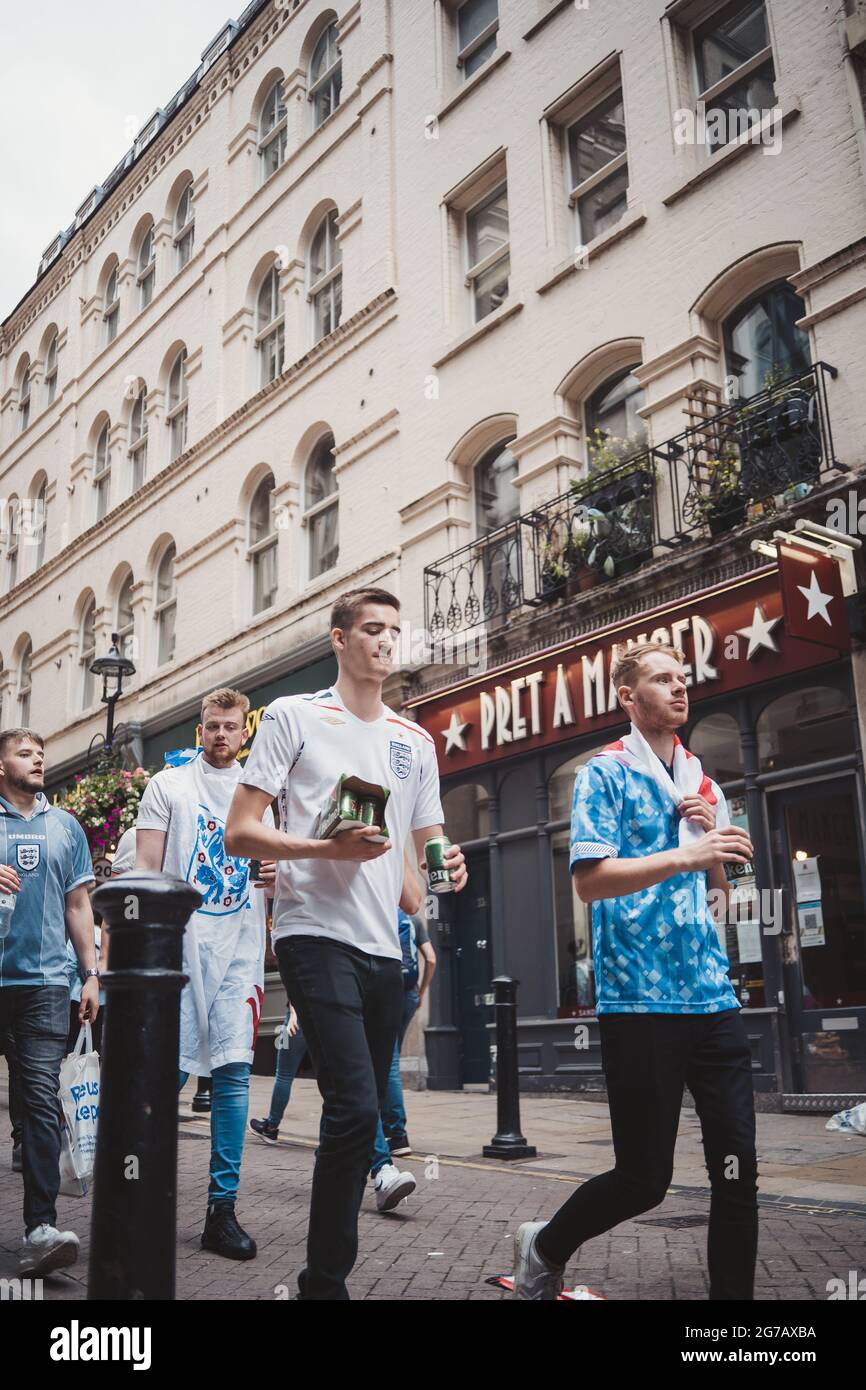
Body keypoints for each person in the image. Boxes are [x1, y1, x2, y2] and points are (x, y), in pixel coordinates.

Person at [226, 587, 467, 1300]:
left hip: (382, 950)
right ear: (339, 639)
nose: (386, 641)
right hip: (310, 935)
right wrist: (323, 849)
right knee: (360, 1108)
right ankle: (325, 1282)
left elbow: (421, 872)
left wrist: (446, 865)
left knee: (350, 1106)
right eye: (371, 629)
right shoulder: (297, 718)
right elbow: (240, 831)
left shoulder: (414, 742)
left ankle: (318, 1277)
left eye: (395, 630)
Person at [512, 642, 757, 1301]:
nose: (680, 689)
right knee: (645, 1180)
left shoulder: (704, 782)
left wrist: (712, 857)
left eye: (683, 678)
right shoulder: (606, 773)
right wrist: (689, 855)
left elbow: (719, 900)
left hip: (714, 1002)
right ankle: (546, 1245)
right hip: (640, 1005)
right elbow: (591, 881)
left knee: (738, 1175)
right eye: (661, 679)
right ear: (627, 695)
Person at [135, 689, 275, 1261]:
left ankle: (222, 1210)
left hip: (241, 950)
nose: (221, 735)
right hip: (181, 953)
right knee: (164, 1078)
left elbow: (283, 871)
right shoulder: (169, 787)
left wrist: (276, 867)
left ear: (245, 732)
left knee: (235, 1076)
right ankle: (142, 1197)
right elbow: (144, 873)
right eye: (212, 726)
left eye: (231, 727)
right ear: (200, 729)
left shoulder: (263, 793)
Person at [0, 728, 100, 1276]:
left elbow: (79, 904)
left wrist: (90, 974)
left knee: (41, 1105)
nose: (37, 759)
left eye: (40, 753)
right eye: (23, 753)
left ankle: (40, 1227)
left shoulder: (65, 827)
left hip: (43, 986)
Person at [370, 901, 437, 1212]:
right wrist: (421, 991)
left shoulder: (379, 910)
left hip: (384, 989)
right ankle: (397, 1134)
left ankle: (395, 1135)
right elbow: (432, 958)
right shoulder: (413, 916)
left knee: (386, 1062)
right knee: (389, 1060)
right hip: (409, 992)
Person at [248, 998, 307, 1144]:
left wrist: (294, 1013)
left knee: (284, 1076)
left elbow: (296, 981)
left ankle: (271, 1128)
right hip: (328, 1021)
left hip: (297, 1021)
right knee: (330, 1080)